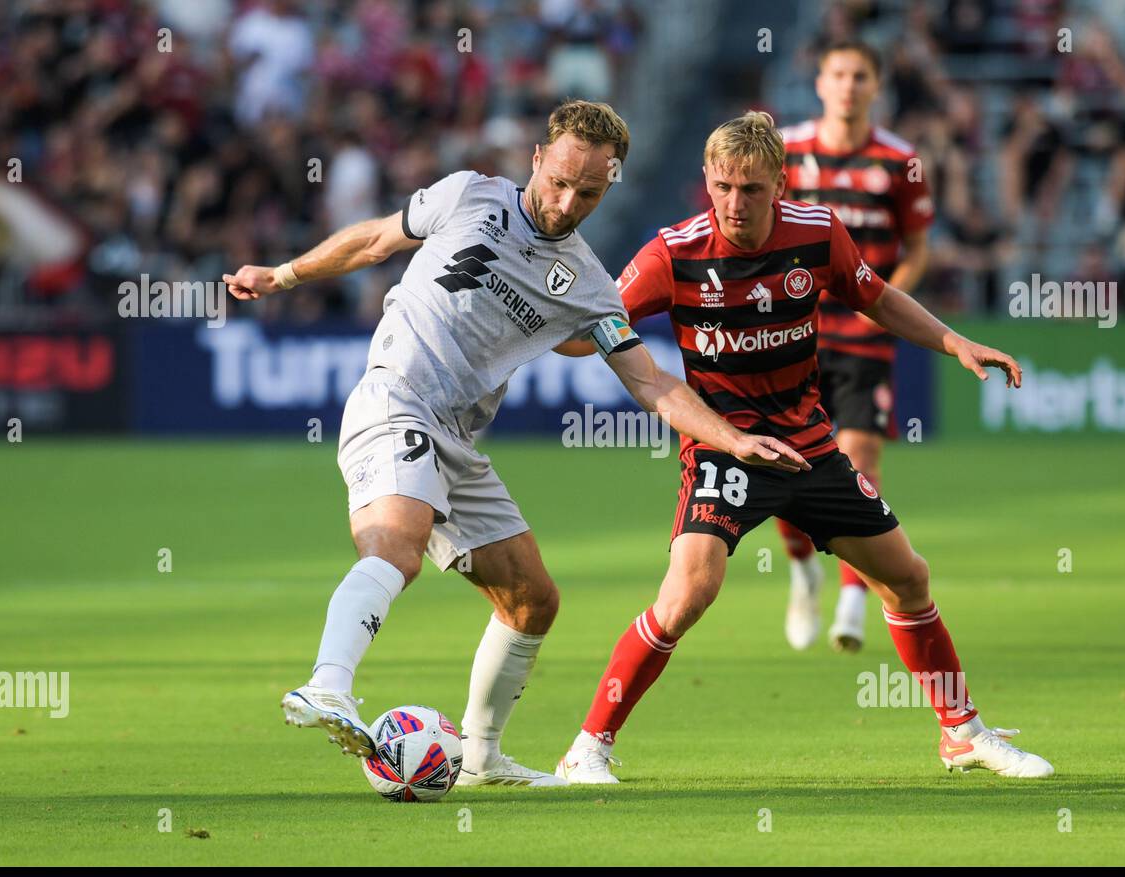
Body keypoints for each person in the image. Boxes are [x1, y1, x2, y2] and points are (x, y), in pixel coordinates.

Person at [222, 100, 806, 787]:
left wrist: (731, 438)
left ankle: (479, 757)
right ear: (537, 158)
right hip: (396, 401)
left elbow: (650, 381)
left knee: (533, 600)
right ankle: (328, 685)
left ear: (610, 183)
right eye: (558, 179)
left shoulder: (589, 285)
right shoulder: (466, 193)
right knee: (397, 545)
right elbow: (377, 241)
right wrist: (283, 275)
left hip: (458, 442)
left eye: (588, 192)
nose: (565, 202)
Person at [553, 112, 1054, 782]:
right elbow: (592, 329)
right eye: (723, 186)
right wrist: (545, 321)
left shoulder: (815, 235)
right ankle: (589, 746)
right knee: (687, 595)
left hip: (809, 447)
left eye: (751, 189)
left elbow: (876, 298)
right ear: (706, 179)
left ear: (780, 186)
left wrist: (954, 341)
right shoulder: (671, 254)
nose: (734, 202)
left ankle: (963, 734)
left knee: (907, 578)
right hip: (724, 449)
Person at [777, 41, 934, 651]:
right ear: (820, 82)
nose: (848, 85)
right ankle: (802, 570)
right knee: (784, 467)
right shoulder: (786, 151)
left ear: (877, 85)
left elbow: (918, 250)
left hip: (865, 335)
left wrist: (884, 305)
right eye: (838, 74)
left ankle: (852, 595)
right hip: (790, 338)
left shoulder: (900, 161)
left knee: (859, 459)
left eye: (860, 75)